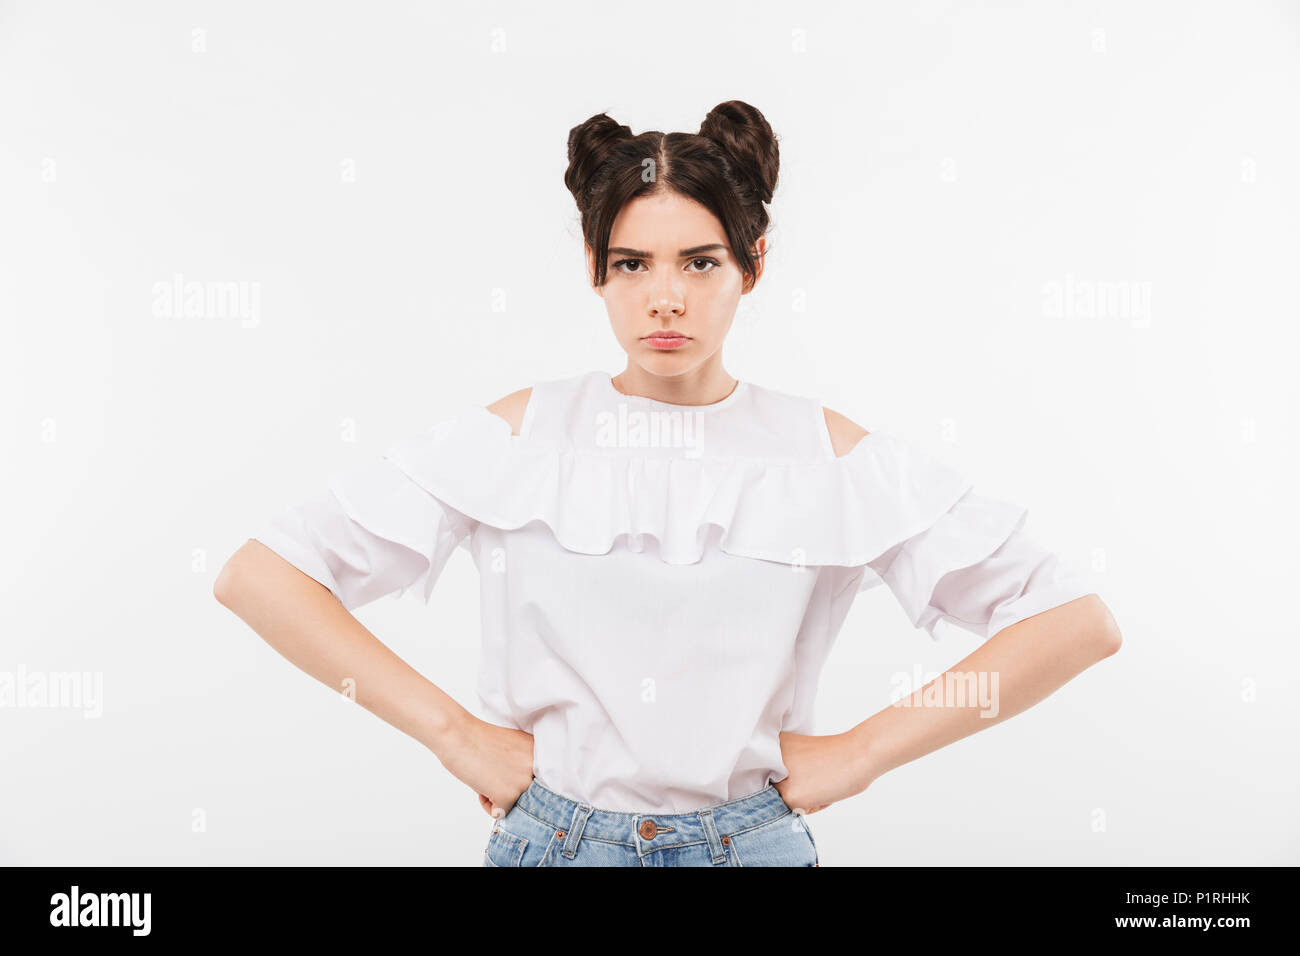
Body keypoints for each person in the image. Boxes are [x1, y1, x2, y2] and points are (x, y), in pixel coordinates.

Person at [214, 100, 1122, 867]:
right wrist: (456, 737)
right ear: (595, 272)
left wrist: (862, 754)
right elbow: (264, 575)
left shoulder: (824, 454)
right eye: (632, 265)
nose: (666, 299)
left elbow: (1073, 621)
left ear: (752, 266)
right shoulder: (522, 435)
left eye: (700, 262)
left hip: (752, 842)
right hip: (555, 844)